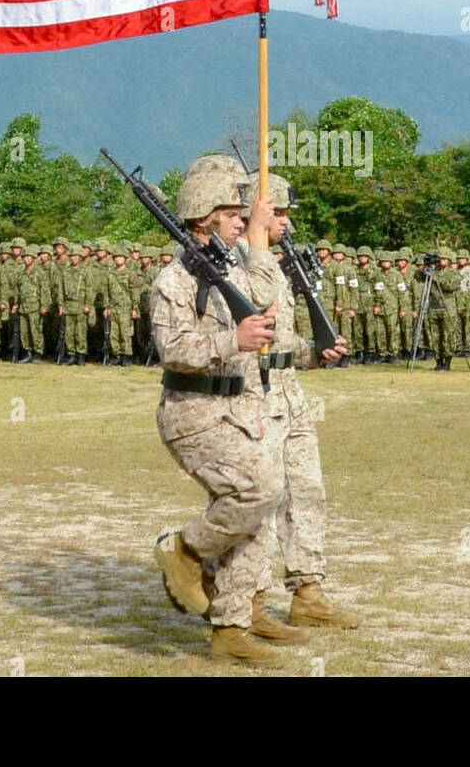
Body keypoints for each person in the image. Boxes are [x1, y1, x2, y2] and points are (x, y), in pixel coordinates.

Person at [149, 156, 285, 664]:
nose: (241, 221)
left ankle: (231, 627)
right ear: (205, 216)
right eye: (232, 213)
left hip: (236, 405)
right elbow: (174, 348)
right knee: (259, 489)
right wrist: (233, 339)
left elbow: (266, 301)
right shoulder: (175, 280)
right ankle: (183, 548)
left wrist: (256, 242)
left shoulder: (231, 267)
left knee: (258, 512)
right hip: (193, 410)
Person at [237, 172, 357, 635]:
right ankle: (250, 601)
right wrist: (257, 242)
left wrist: (316, 351)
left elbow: (281, 339)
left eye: (286, 213)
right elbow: (253, 304)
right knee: (262, 502)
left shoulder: (279, 262)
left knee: (307, 493)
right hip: (255, 395)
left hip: (289, 391)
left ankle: (308, 592)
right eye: (277, 213)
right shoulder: (242, 263)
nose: (285, 222)